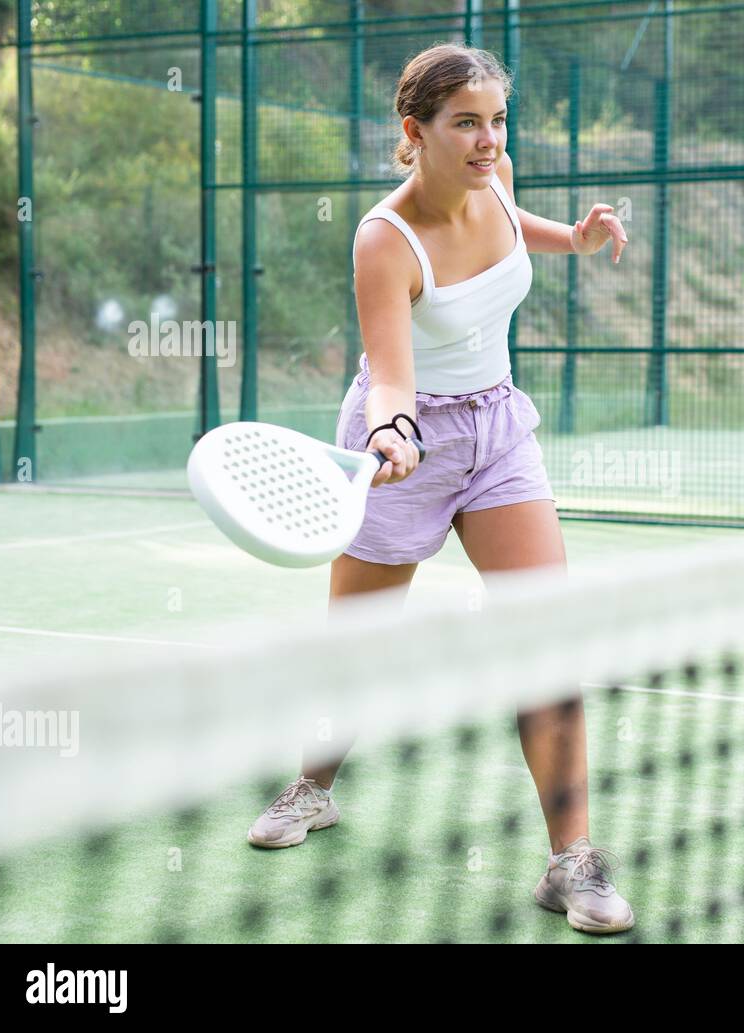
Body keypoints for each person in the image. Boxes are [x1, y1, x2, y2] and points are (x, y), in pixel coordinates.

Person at [247, 43, 636, 934]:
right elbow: (390, 371)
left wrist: (570, 238)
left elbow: (506, 218)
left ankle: (569, 859)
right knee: (357, 641)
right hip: (404, 441)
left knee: (545, 631)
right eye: (467, 122)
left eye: (497, 120)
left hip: (498, 433)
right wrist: (393, 427)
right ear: (414, 132)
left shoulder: (492, 177)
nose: (488, 139)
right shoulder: (385, 238)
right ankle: (312, 786)